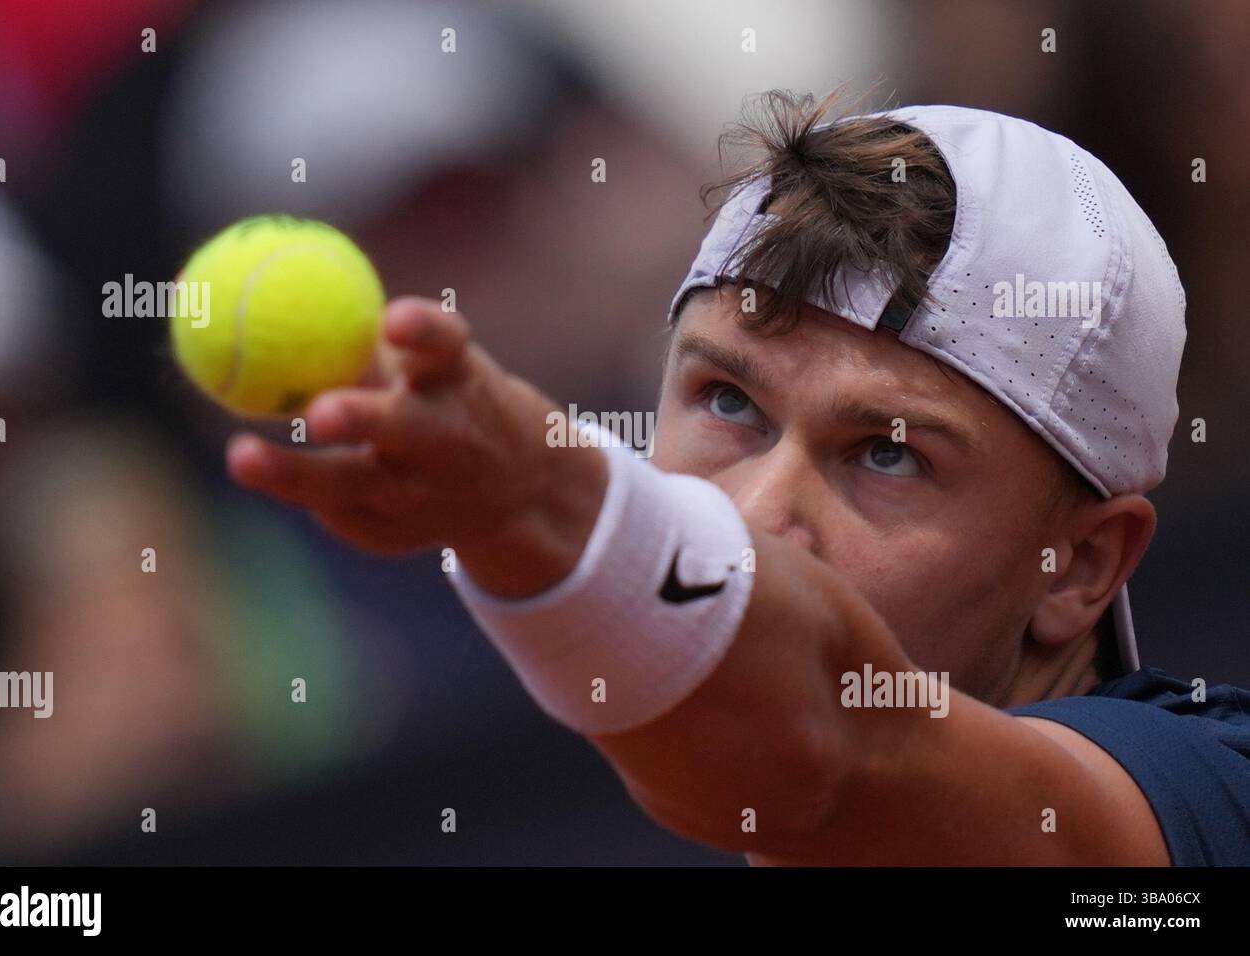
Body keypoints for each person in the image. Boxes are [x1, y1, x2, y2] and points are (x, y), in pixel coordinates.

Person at [226, 90, 1250, 865]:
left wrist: (535, 501)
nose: (758, 514)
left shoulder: (1210, 800)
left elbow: (825, 751)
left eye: (888, 452)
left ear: (1076, 562)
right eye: (726, 401)